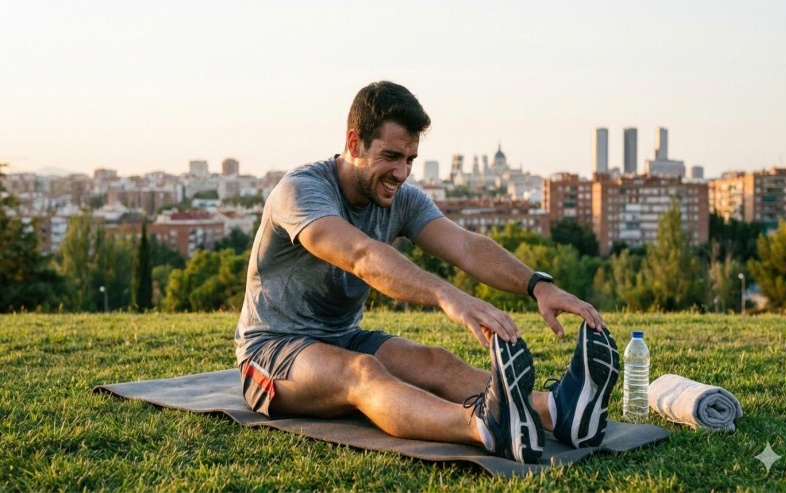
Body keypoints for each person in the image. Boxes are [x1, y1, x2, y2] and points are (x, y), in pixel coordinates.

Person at [235, 81, 620, 464]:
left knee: (436, 361)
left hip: (342, 336)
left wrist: (537, 285)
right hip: (271, 350)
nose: (401, 173)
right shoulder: (301, 192)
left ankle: (556, 412)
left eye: (410, 160)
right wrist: (446, 295)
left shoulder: (399, 198)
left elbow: (466, 247)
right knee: (363, 372)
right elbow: (361, 256)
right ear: (355, 144)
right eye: (391, 156)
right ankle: (483, 426)